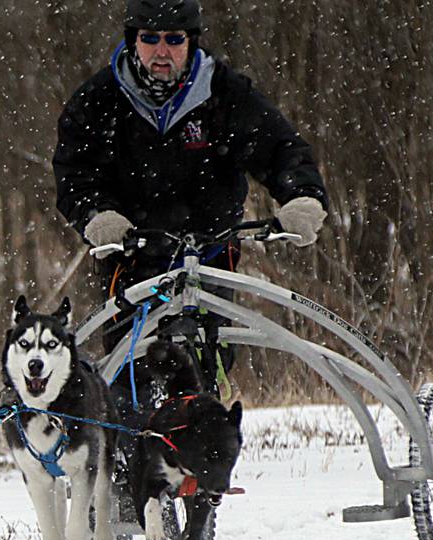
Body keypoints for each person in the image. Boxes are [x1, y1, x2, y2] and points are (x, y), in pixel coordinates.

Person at [53, 0, 329, 360]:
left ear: (191, 41)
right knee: (129, 368)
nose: (162, 51)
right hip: (133, 259)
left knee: (208, 361)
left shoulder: (223, 92)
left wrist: (302, 197)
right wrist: (98, 215)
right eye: (150, 38)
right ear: (133, 40)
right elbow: (75, 171)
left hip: (210, 254)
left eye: (174, 39)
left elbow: (279, 147)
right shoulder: (99, 100)